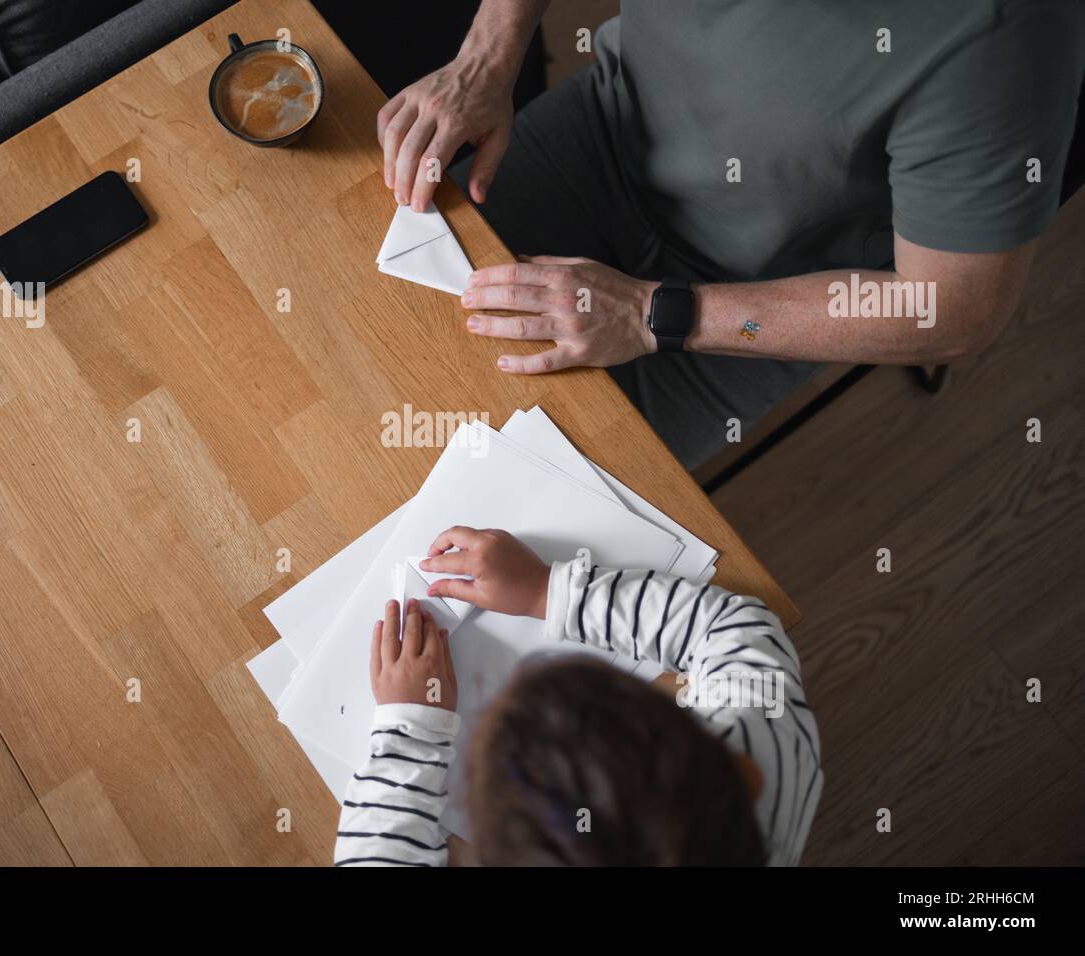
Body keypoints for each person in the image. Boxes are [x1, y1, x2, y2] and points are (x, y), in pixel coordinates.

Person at [375, 0, 1085, 470]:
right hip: (605, 128)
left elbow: (954, 311)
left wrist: (650, 311)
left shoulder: (1007, 35)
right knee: (378, 345)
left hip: (750, 297)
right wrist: (487, 54)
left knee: (511, 502)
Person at [333, 527, 821, 866]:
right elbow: (734, 629)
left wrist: (412, 730)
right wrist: (547, 591)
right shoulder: (764, 750)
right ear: (744, 773)